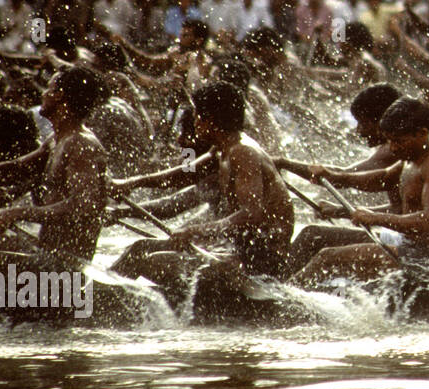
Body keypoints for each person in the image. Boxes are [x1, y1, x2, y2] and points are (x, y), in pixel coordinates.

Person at [112, 82, 294, 284]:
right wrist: (131, 183)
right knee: (140, 248)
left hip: (262, 259)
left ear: (212, 121)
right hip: (237, 248)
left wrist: (194, 231)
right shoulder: (221, 149)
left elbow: (252, 213)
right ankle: (90, 297)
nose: (195, 121)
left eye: (198, 115)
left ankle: (91, 302)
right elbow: (184, 174)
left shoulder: (243, 152)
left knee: (152, 262)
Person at [289, 98, 429, 289]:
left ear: (422, 133)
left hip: (424, 262)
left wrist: (374, 218)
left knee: (327, 258)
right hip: (402, 244)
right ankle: (278, 283)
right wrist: (335, 177)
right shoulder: (411, 158)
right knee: (314, 235)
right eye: (390, 141)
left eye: (399, 141)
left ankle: (281, 301)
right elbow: (381, 179)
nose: (393, 148)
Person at [0, 67, 109, 270]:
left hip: (64, 264)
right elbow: (17, 168)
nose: (43, 94)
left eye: (48, 88)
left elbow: (82, 206)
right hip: (44, 251)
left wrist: (18, 213)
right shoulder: (57, 139)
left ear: (59, 97)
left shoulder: (81, 145)